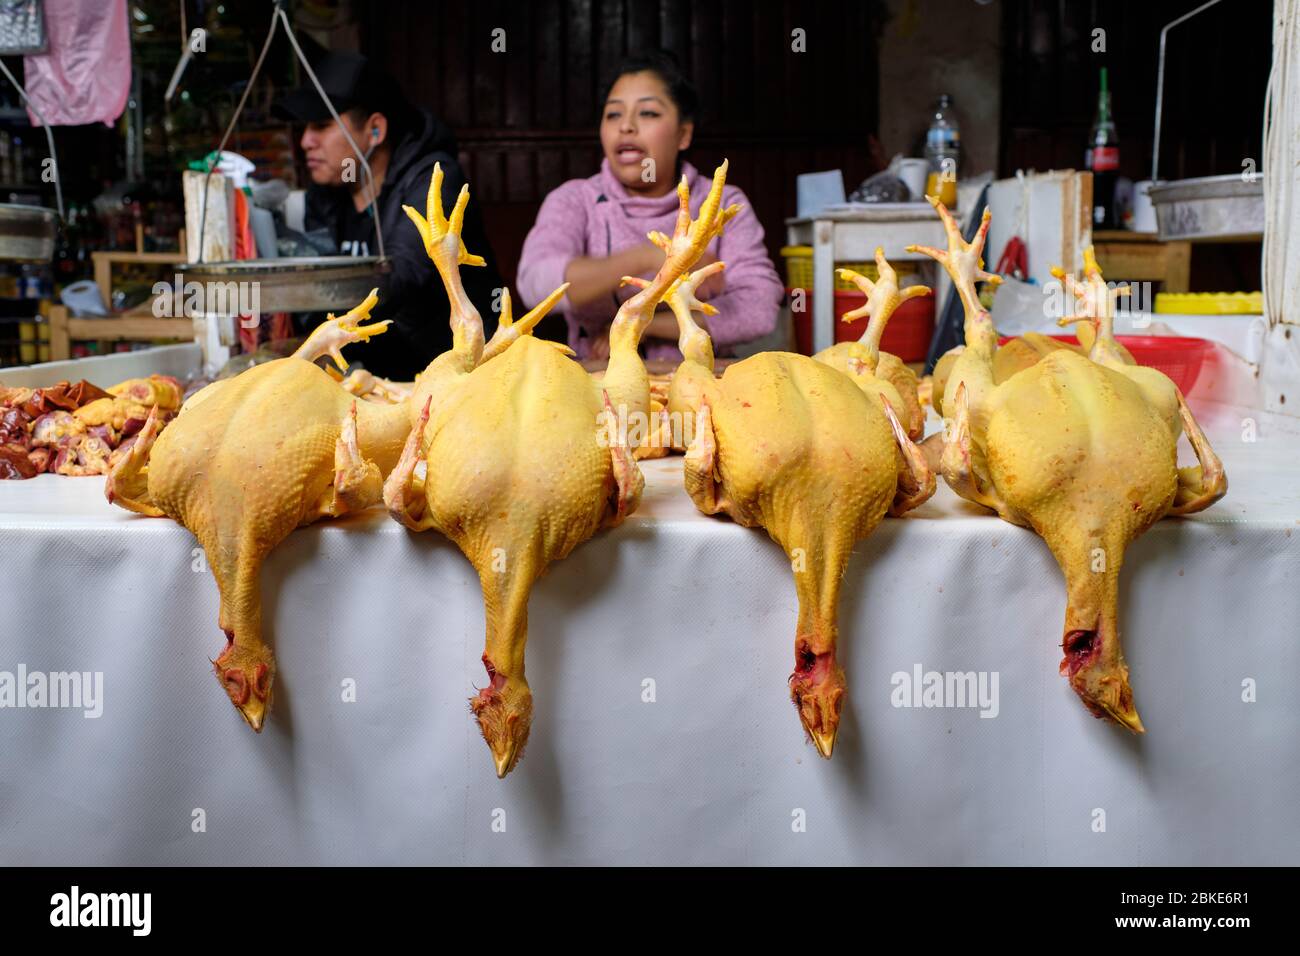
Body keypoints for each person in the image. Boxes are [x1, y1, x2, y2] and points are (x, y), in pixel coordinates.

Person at [516, 51, 782, 361]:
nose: (626, 126)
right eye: (613, 114)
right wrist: (649, 258)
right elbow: (536, 284)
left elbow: (759, 308)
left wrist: (645, 324)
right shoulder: (575, 200)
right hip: (597, 384)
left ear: (683, 134)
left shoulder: (722, 202)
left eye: (648, 113)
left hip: (704, 383)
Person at [274, 52, 502, 380]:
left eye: (322, 125)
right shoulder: (326, 194)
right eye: (305, 127)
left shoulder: (434, 177)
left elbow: (404, 275)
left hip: (458, 376)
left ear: (375, 130)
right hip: (372, 378)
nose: (306, 141)